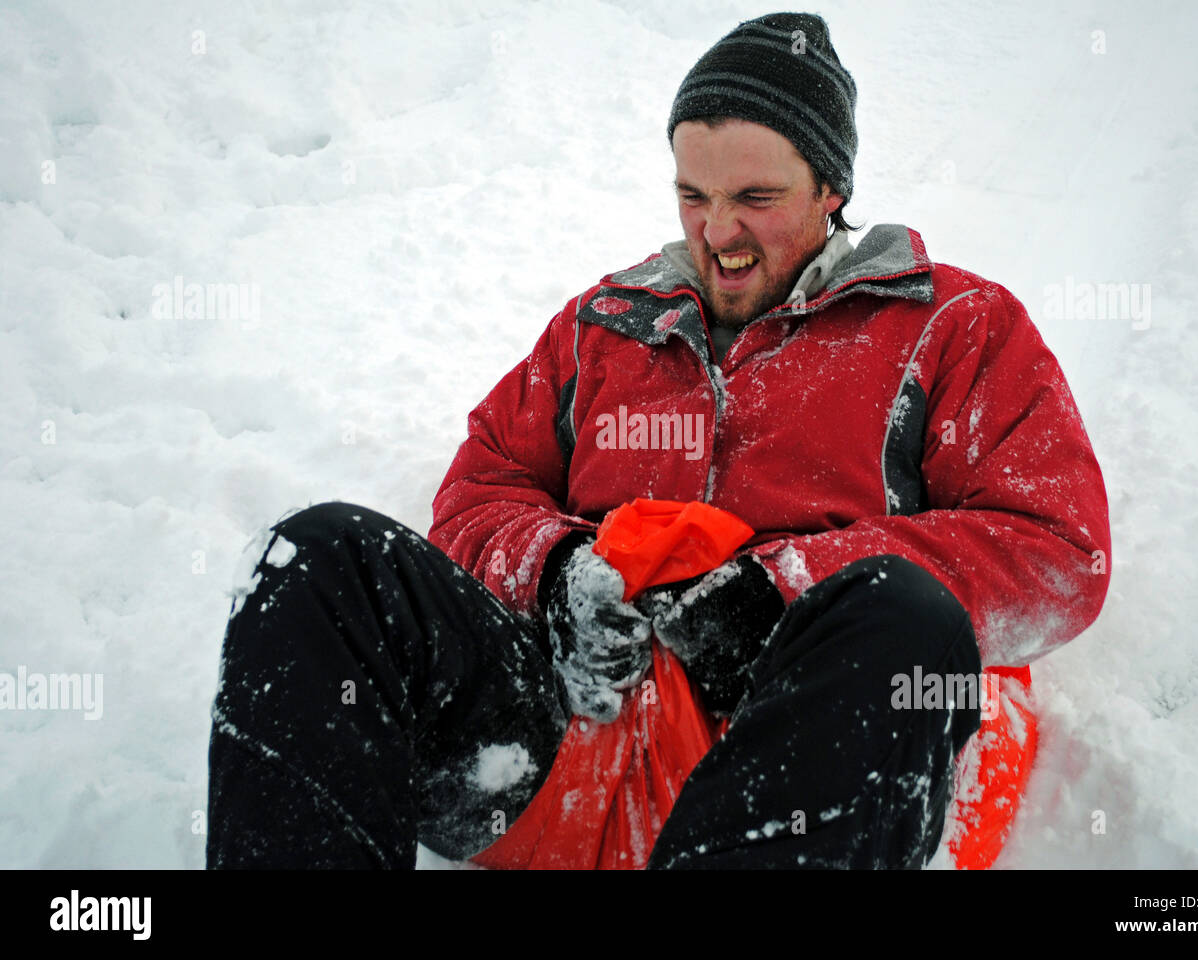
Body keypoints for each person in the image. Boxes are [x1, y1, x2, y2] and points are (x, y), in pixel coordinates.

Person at [205, 12, 1110, 870]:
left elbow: (1060, 551)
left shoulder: (949, 326)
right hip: (560, 752)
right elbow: (479, 497)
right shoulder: (607, 328)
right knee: (318, 559)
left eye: (756, 197)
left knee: (903, 614)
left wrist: (782, 595)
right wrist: (557, 574)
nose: (719, 235)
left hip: (793, 770)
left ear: (832, 187)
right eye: (694, 195)